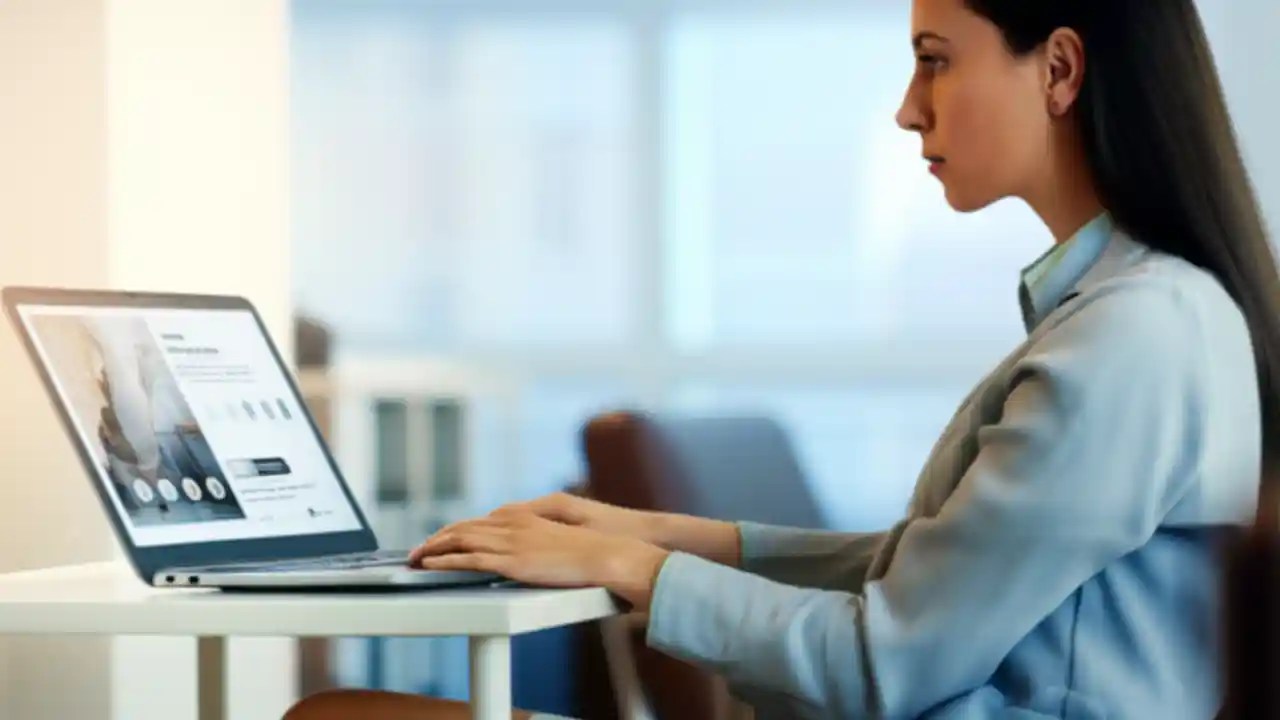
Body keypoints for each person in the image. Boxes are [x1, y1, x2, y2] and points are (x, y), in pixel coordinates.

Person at [285, 0, 1280, 717]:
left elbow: (883, 663)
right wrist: (657, 536)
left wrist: (624, 564)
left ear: (1058, 69)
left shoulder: (1131, 335)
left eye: (934, 58)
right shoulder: (1141, 315)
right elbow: (922, 577)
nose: (905, 106)